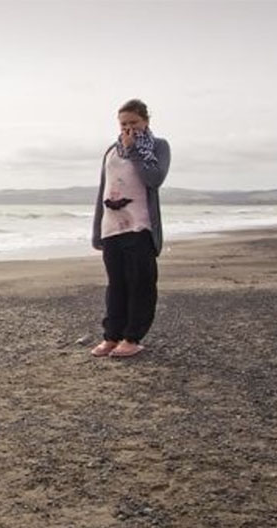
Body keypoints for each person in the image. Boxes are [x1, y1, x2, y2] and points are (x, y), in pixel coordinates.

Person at [90, 98, 170, 358]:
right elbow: (103, 189)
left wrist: (135, 149)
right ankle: (112, 336)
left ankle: (132, 338)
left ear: (145, 121)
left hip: (140, 226)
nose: (128, 128)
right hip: (112, 226)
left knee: (141, 284)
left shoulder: (158, 147)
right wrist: (96, 230)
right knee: (116, 285)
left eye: (134, 123)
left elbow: (154, 179)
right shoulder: (111, 151)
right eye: (124, 123)